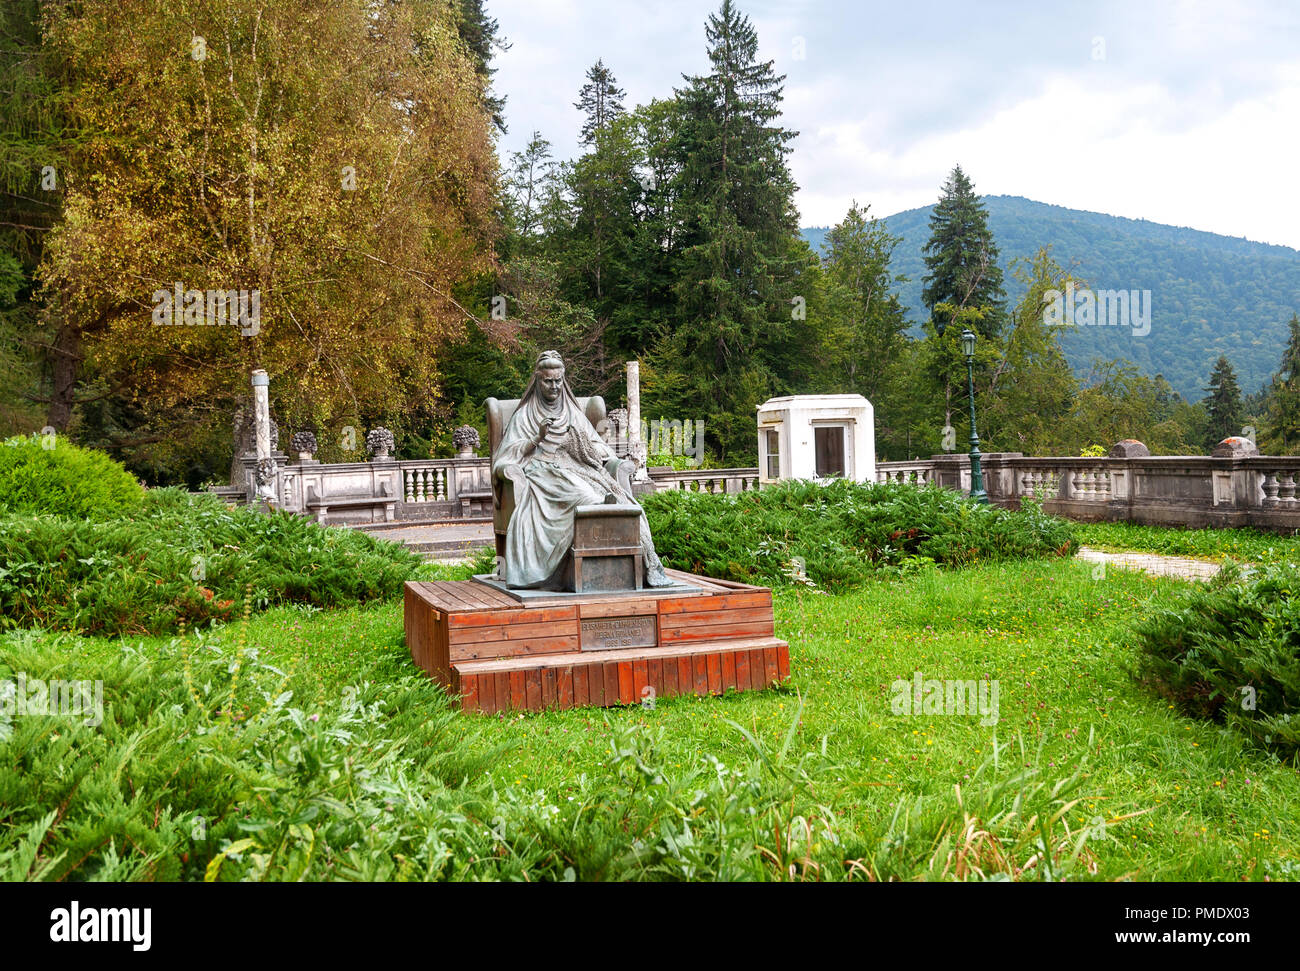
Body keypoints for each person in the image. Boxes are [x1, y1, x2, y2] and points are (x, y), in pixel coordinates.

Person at [493, 350, 671, 589]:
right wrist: (537, 437)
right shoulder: (524, 416)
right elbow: (504, 458)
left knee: (619, 498)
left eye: (558, 381)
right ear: (538, 380)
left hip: (579, 467)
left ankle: (610, 524)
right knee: (580, 492)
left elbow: (598, 446)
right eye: (548, 381)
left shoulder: (573, 413)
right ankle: (597, 505)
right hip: (543, 473)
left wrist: (585, 447)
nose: (554, 387)